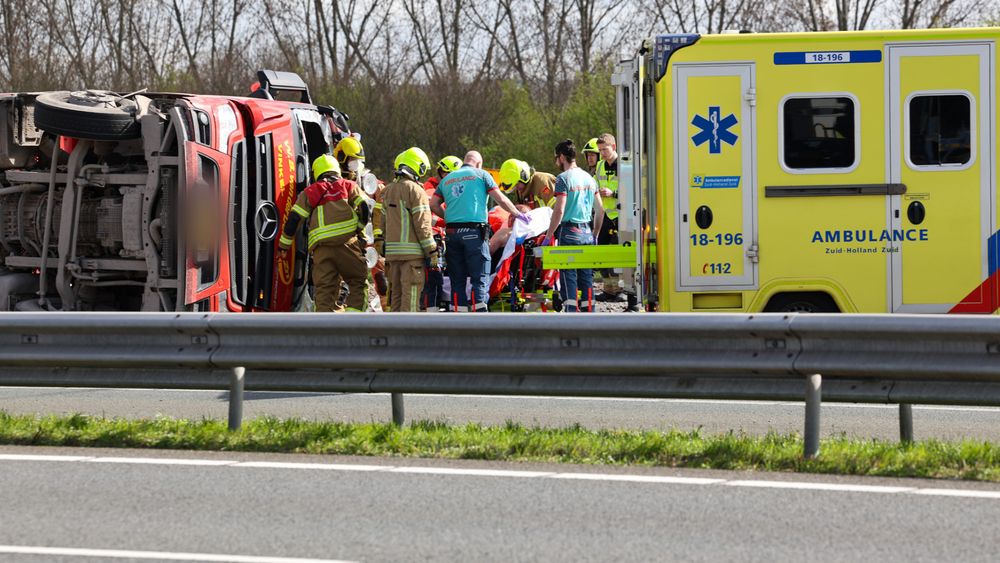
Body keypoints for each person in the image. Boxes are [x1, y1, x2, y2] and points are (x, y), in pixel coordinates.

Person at [430, 150, 528, 312]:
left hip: (452, 234)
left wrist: (449, 217)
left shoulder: (447, 179)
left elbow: (433, 204)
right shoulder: (482, 175)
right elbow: (501, 199)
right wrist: (518, 214)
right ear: (479, 163)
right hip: (474, 233)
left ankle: (458, 315)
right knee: (479, 277)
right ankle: (479, 316)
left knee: (457, 279)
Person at [278, 155, 369, 312]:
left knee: (324, 290)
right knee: (357, 282)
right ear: (337, 170)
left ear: (316, 173)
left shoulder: (310, 192)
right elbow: (365, 209)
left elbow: (294, 219)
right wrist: (358, 228)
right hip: (347, 244)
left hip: (322, 250)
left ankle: (324, 325)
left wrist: (283, 247)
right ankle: (355, 320)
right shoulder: (348, 185)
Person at [543, 139, 604, 313]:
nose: (556, 161)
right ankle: (589, 313)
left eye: (556, 157)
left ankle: (571, 314)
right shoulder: (590, 179)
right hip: (586, 232)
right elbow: (600, 210)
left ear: (562, 157)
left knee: (568, 274)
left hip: (569, 231)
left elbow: (559, 210)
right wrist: (595, 234)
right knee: (586, 276)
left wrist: (548, 236)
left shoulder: (563, 179)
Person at [378, 147, 439, 313]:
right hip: (412, 259)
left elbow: (381, 224)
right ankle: (409, 330)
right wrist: (432, 251)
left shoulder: (387, 190)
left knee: (395, 300)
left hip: (392, 257)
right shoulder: (416, 191)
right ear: (418, 167)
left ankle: (394, 329)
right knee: (410, 302)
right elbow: (422, 225)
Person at [422, 156, 461, 311]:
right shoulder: (431, 190)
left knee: (438, 277)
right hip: (433, 240)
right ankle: (431, 311)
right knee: (433, 277)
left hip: (440, 239)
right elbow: (430, 217)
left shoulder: (443, 188)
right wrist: (449, 222)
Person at [593, 133, 626, 304]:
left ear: (614, 147)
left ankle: (621, 291)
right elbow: (594, 184)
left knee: (619, 256)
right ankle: (609, 290)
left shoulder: (625, 165)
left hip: (621, 215)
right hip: (605, 215)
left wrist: (613, 193)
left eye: (604, 149)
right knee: (603, 253)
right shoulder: (600, 166)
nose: (602, 153)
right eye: (600, 150)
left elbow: (632, 190)